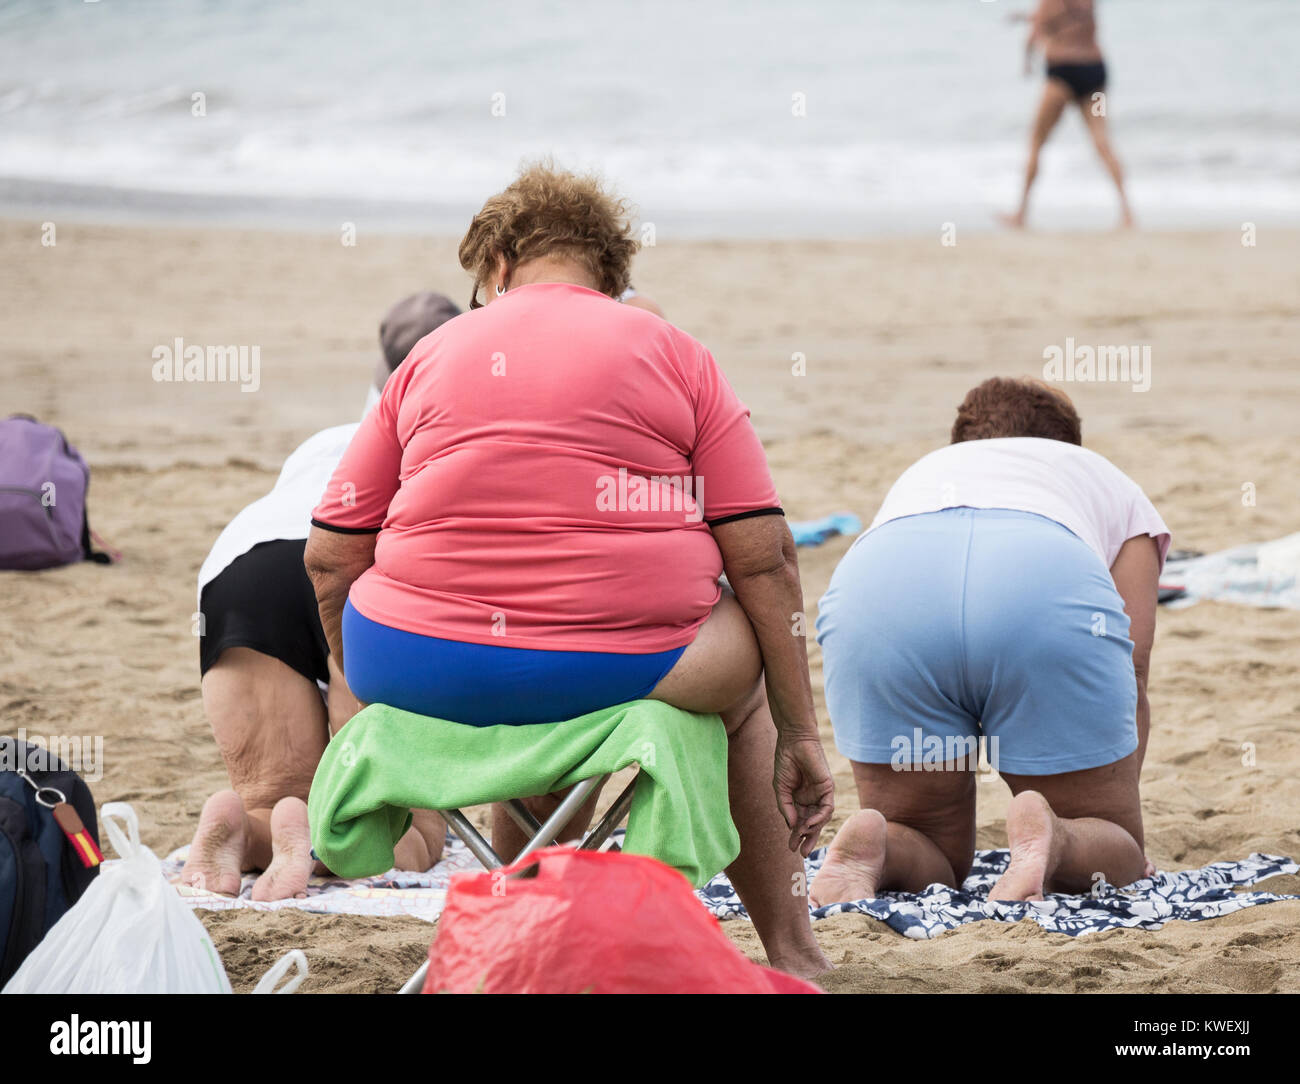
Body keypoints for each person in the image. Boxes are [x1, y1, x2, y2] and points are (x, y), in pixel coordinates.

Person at [305, 163, 834, 977]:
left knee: (515, 665)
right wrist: (802, 731)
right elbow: (767, 558)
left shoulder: (427, 357)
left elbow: (331, 553)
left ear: (499, 264)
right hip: (618, 667)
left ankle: (526, 940)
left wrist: (366, 670)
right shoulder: (676, 354)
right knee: (748, 667)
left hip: (415, 667)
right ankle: (795, 955)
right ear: (610, 276)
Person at [810, 377, 1168, 905]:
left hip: (881, 591)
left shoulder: (929, 471)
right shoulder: (1103, 479)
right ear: (1068, 442)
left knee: (926, 836)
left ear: (963, 439)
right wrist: (1108, 801)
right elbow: (1131, 664)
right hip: (1041, 583)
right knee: (1114, 849)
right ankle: (1058, 835)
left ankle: (881, 845)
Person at [180, 292, 461, 901]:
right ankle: (321, 837)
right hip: (364, 568)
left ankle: (240, 825)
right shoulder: (452, 423)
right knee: (408, 828)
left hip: (244, 565)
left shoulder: (332, 437)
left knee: (272, 798)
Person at [1000, 0, 1133, 229]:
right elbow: (1071, 19)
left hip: (1062, 72)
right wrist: (1027, 17)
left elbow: (1038, 33)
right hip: (1095, 72)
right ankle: (1127, 212)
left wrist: (1027, 61)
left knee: (1036, 141)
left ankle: (1021, 213)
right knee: (1102, 141)